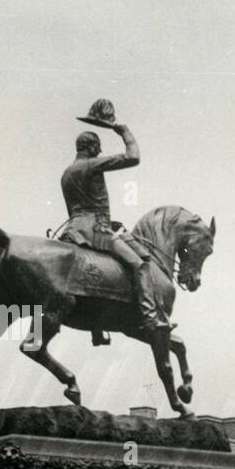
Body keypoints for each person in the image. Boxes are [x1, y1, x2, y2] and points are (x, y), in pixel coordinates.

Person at [58, 100, 160, 336]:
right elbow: (133, 157)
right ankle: (150, 318)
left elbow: (82, 207)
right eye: (98, 147)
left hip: (73, 230)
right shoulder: (92, 165)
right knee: (141, 265)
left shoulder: (67, 173)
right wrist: (122, 130)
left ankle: (97, 327)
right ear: (92, 147)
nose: (101, 151)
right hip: (96, 230)